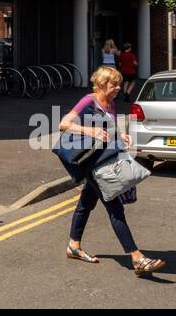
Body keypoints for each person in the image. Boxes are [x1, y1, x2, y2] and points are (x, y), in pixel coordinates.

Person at [57, 65, 164, 276]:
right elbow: (64, 123)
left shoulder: (112, 103)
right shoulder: (89, 100)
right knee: (115, 209)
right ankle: (137, 257)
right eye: (114, 84)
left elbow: (110, 130)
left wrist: (120, 137)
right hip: (93, 163)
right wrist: (90, 130)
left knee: (85, 204)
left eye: (119, 83)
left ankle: (73, 245)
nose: (118, 87)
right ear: (102, 84)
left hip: (104, 160)